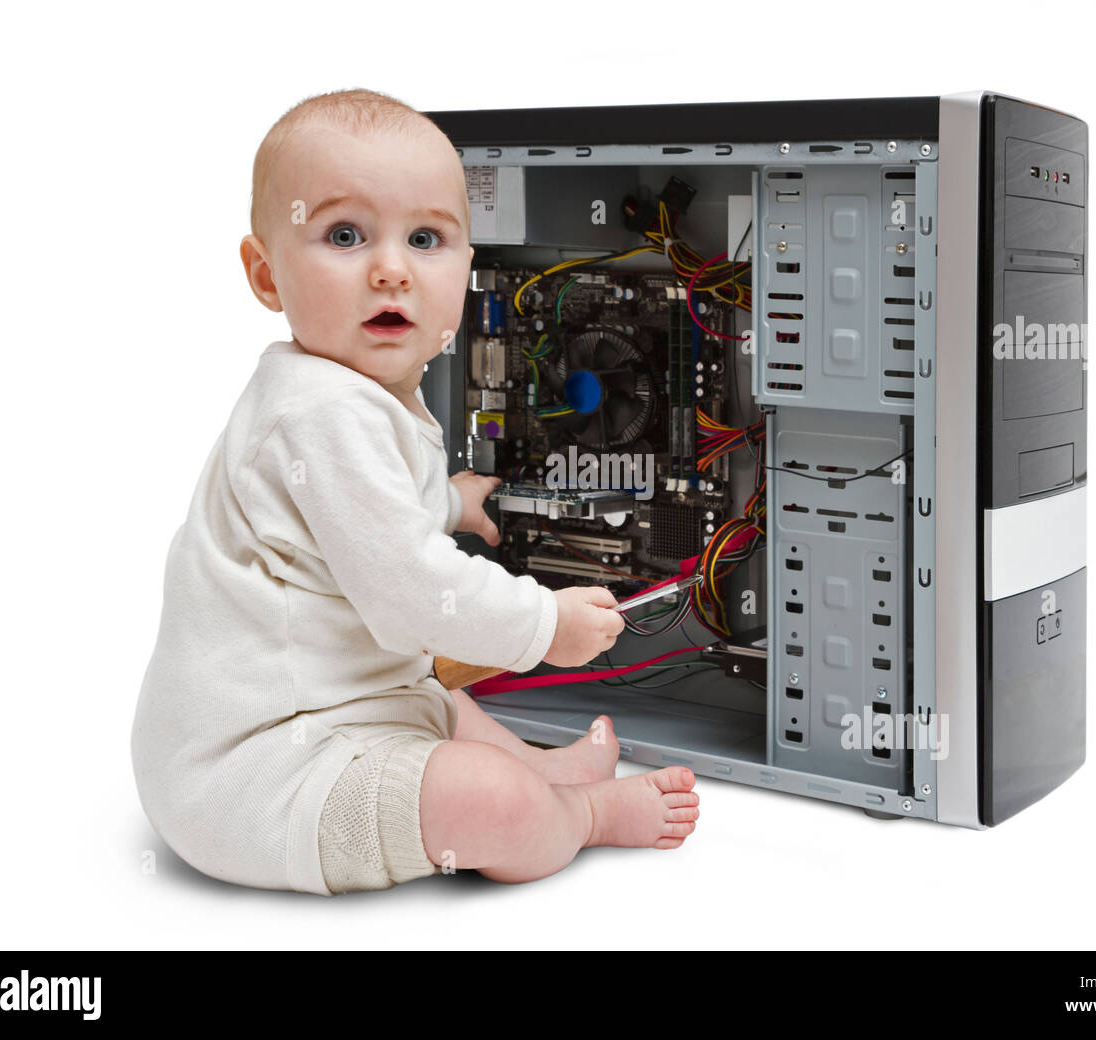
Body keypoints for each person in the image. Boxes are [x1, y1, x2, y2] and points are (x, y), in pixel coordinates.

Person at [130, 88, 699, 896]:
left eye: (425, 238)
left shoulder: (343, 391)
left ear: (469, 268)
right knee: (484, 795)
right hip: (256, 779)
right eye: (344, 235)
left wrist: (450, 504)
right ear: (265, 272)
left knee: (444, 707)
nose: (390, 267)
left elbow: (359, 519)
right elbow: (409, 590)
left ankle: (555, 774)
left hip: (331, 713)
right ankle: (581, 816)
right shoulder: (319, 413)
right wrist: (545, 625)